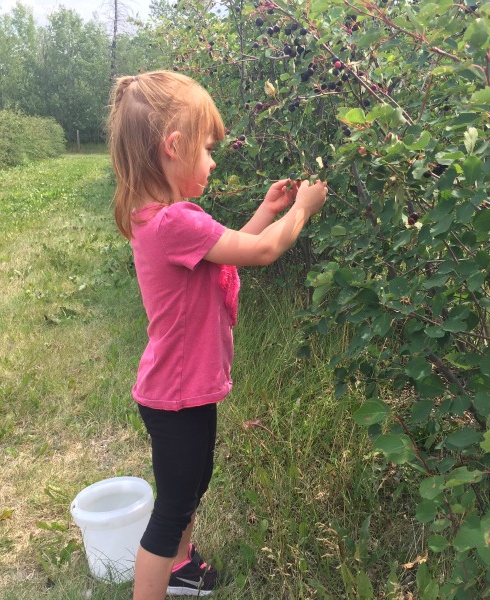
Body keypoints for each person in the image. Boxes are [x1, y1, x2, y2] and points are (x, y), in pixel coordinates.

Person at [107, 70, 327, 599]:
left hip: (186, 390)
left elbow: (227, 250)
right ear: (174, 146)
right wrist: (300, 210)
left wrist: (268, 210)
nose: (211, 161)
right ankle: (156, 583)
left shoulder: (161, 217)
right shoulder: (172, 222)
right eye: (206, 150)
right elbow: (262, 252)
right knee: (173, 507)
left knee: (191, 487)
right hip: (176, 396)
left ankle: (181, 568)